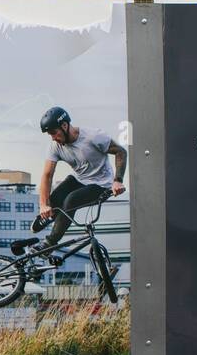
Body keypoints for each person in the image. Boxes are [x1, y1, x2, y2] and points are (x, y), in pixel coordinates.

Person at [12, 106, 127, 257]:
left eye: (54, 133)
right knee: (55, 197)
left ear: (65, 126)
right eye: (49, 134)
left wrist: (118, 180)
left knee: (71, 200)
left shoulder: (93, 136)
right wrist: (44, 205)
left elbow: (121, 152)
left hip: (101, 185)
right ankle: (49, 215)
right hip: (79, 179)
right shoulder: (55, 146)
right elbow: (47, 175)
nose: (53, 138)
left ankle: (50, 243)